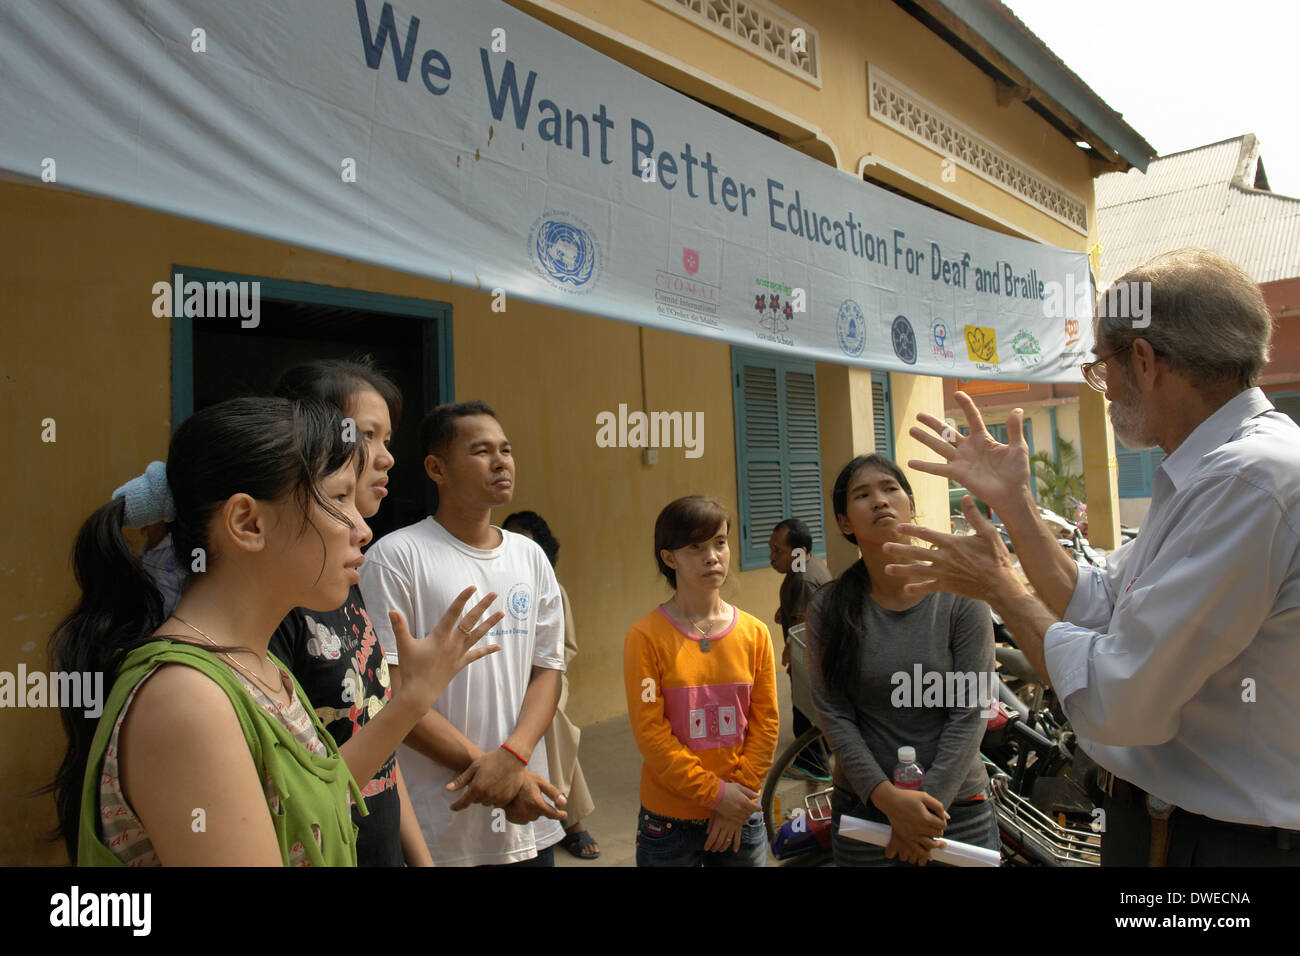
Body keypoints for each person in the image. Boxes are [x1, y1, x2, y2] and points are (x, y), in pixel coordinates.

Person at [889, 248, 1300, 866]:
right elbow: (1103, 603)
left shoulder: (1247, 479)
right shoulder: (1212, 467)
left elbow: (1122, 699)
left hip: (1219, 846)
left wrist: (1003, 586)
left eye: (1102, 369)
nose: (1104, 392)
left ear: (1144, 361)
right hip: (1175, 830)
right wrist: (1017, 506)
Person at [47, 397, 499, 865]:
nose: (362, 529)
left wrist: (414, 697)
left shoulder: (260, 664)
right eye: (339, 497)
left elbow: (318, 799)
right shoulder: (187, 700)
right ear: (248, 522)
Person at [360, 400, 569, 866]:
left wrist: (514, 758)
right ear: (437, 468)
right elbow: (391, 690)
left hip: (525, 812)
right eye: (481, 451)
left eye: (506, 450)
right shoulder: (396, 557)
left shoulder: (530, 557)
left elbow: (547, 669)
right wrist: (494, 774)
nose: (501, 462)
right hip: (440, 821)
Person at [268, 358, 432, 865]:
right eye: (368, 436)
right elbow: (294, 805)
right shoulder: (272, 609)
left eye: (388, 440)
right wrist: (417, 697)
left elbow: (377, 746)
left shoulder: (341, 584)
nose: (386, 458)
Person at [805, 454, 999, 867]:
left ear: (910, 504)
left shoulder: (960, 594)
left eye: (890, 489)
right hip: (866, 811)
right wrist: (887, 799)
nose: (879, 501)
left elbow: (971, 710)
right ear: (844, 523)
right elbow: (833, 713)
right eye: (863, 494)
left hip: (955, 811)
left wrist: (922, 816)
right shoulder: (828, 606)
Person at [624, 495, 779, 867]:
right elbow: (652, 735)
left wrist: (734, 798)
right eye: (696, 546)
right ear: (669, 557)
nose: (712, 556)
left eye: (720, 542)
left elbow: (766, 724)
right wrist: (716, 795)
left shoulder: (755, 634)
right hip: (668, 824)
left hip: (741, 815)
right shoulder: (645, 637)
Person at [502, 509, 599, 860]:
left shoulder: (552, 589)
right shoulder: (494, 584)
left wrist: (535, 676)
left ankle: (566, 818)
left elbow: (565, 648)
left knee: (552, 723)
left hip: (546, 679)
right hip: (503, 681)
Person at [769, 517, 832, 779]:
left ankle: (813, 764)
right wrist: (784, 611)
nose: (772, 557)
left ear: (799, 552)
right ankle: (824, 749)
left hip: (811, 657)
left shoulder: (802, 579)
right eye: (771, 549)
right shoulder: (805, 568)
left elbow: (804, 626)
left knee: (803, 707)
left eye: (778, 551)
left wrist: (789, 653)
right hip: (821, 656)